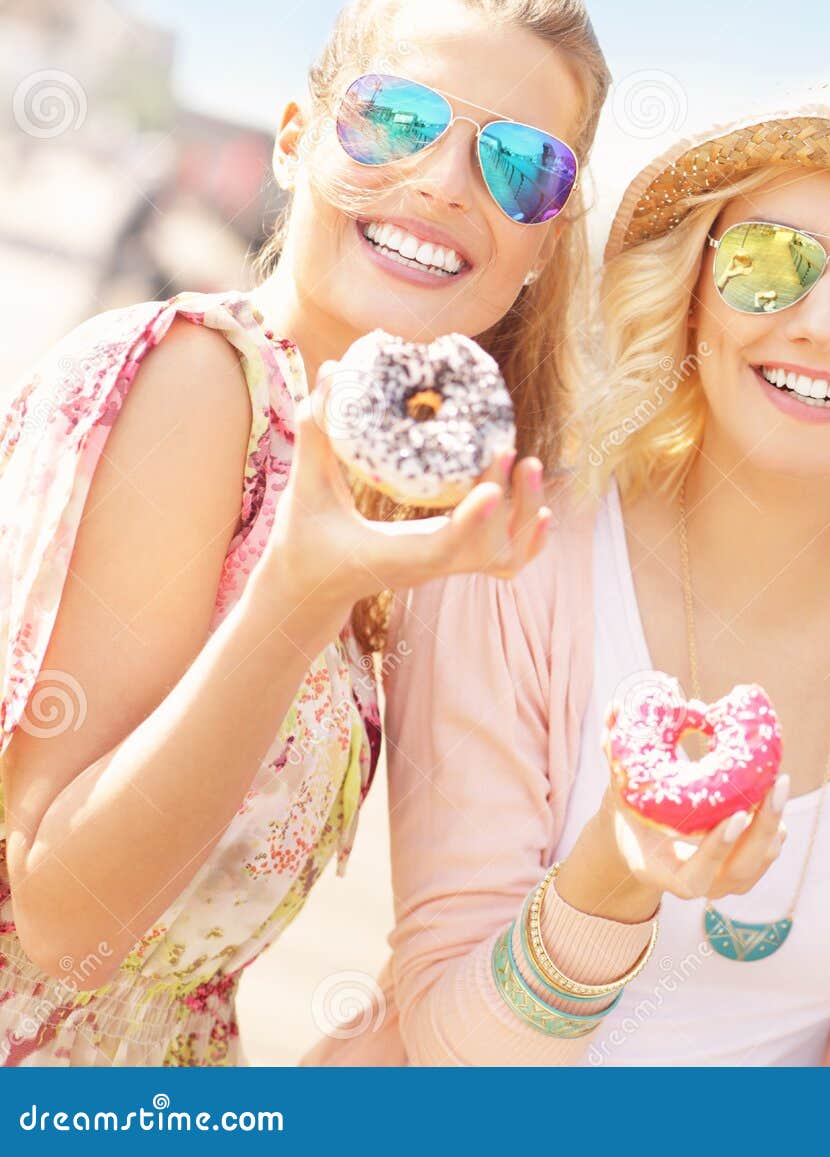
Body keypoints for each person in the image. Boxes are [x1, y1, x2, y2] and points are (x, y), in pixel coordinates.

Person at [307, 22, 830, 1066]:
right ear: (693, 290)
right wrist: (615, 872)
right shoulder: (510, 560)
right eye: (769, 263)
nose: (825, 324)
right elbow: (447, 1041)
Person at [0, 0, 608, 1065]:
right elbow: (62, 918)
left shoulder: (386, 491)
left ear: (544, 242)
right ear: (296, 139)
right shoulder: (191, 379)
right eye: (397, 118)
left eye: (519, 164)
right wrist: (295, 595)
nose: (445, 182)